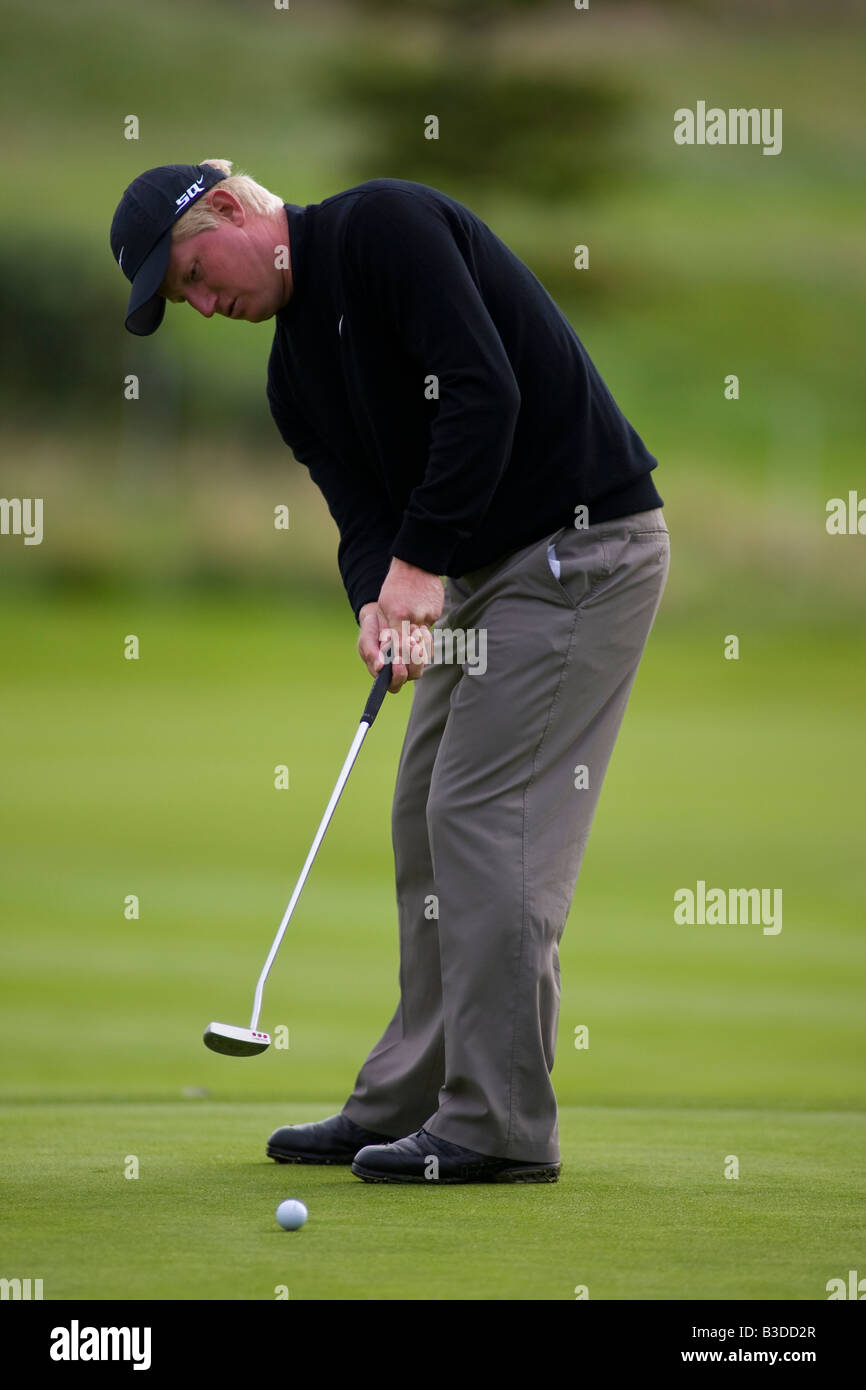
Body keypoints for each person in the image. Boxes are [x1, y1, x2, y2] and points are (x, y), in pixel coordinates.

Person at [110, 159, 670, 1184]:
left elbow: (480, 390)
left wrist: (420, 568)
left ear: (230, 209)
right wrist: (379, 598)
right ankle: (405, 1102)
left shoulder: (383, 229)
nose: (202, 302)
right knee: (420, 808)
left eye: (192, 273)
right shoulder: (292, 378)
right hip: (483, 575)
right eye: (182, 299)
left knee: (477, 814)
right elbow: (360, 514)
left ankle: (498, 1124)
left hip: (580, 552)